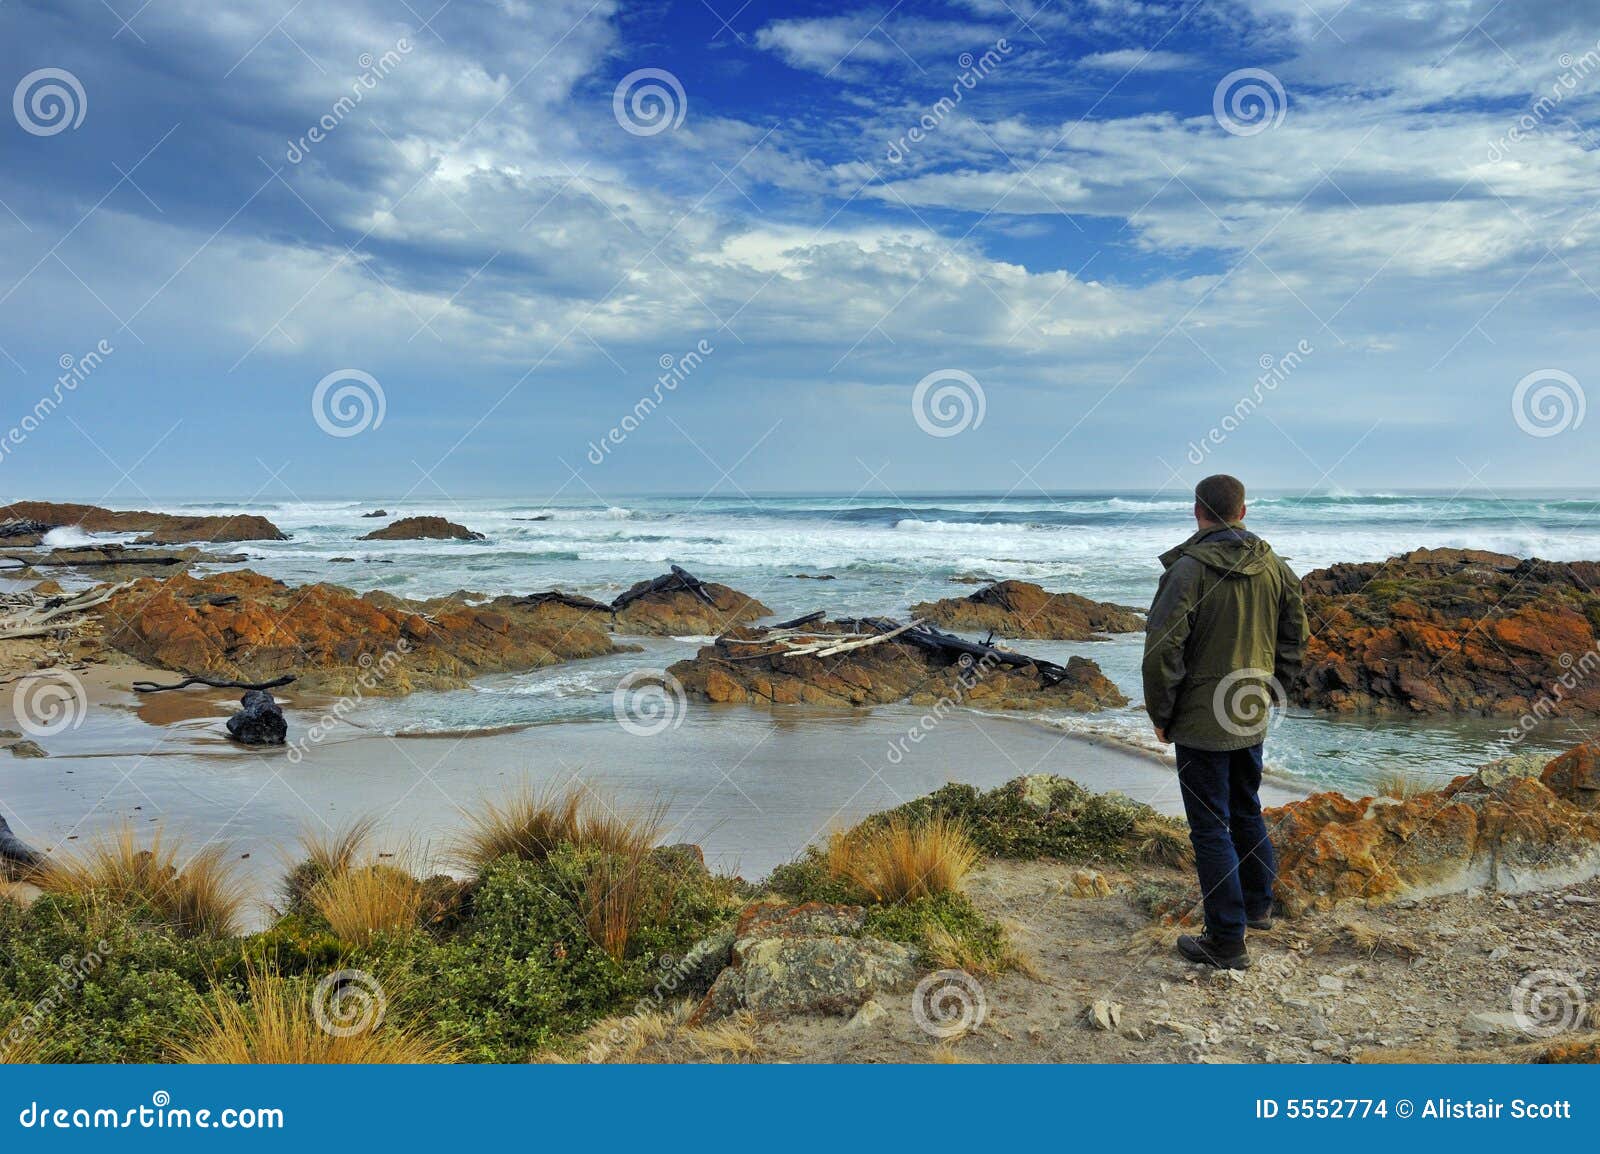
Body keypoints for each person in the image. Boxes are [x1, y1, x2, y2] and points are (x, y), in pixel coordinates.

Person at [1141, 475, 1308, 969]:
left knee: (1211, 827)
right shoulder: (1273, 566)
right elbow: (1295, 633)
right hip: (1248, 708)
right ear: (1242, 511)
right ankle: (1257, 906)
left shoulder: (1188, 571)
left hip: (1200, 718)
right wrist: (1275, 688)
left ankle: (1226, 941)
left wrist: (1161, 713)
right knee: (1245, 806)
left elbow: (1161, 649)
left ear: (1197, 512)